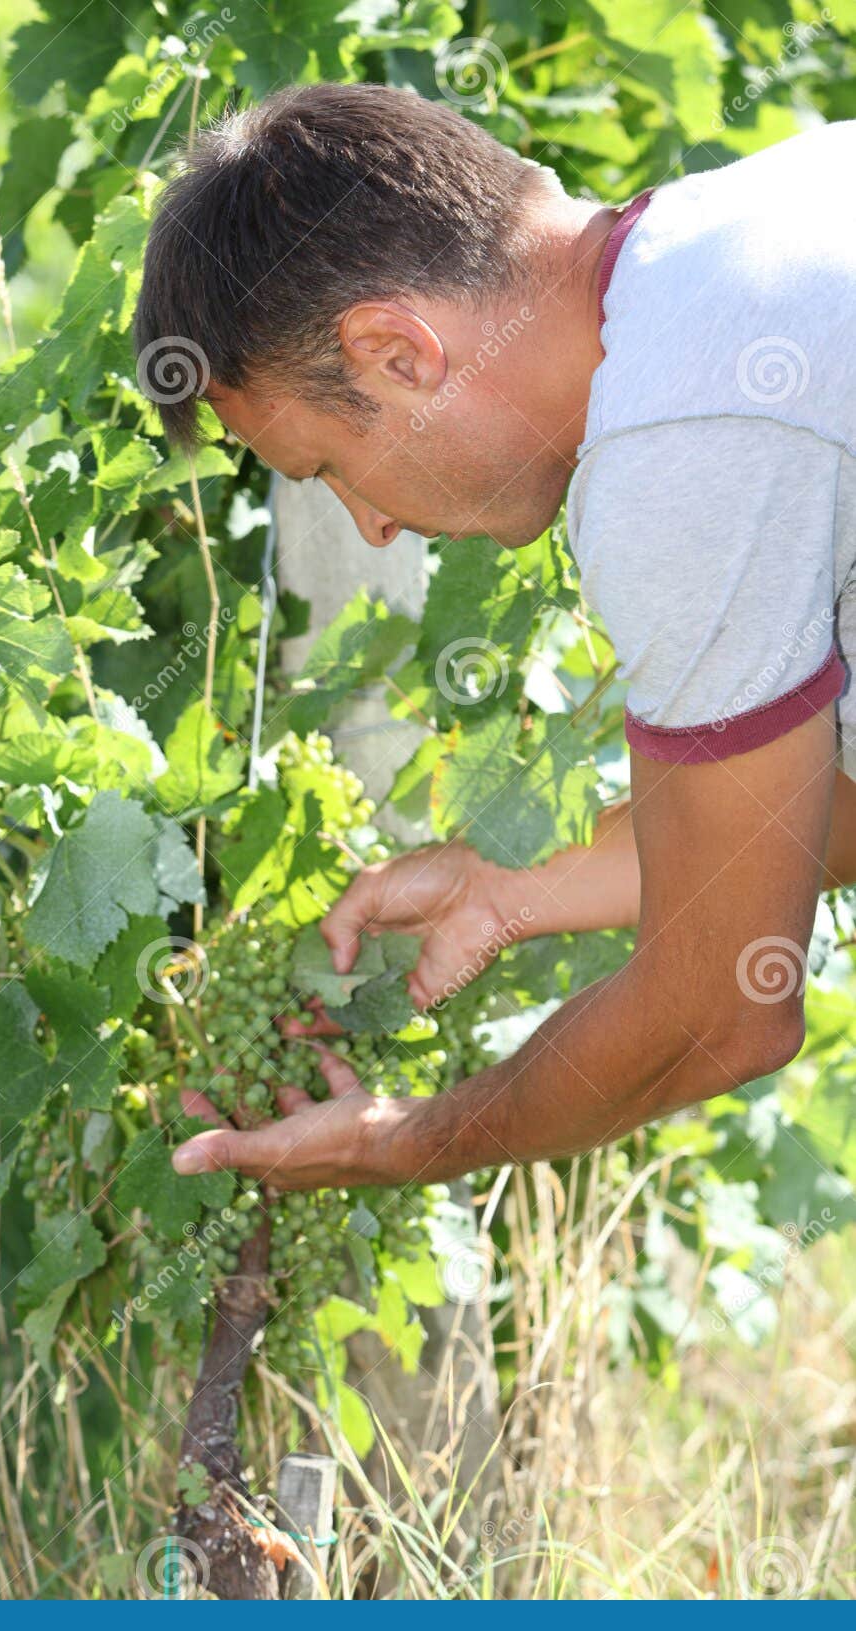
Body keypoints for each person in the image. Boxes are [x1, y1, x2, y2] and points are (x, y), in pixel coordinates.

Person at [132, 84, 856, 1190]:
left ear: (394, 352)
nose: (369, 522)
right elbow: (788, 826)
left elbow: (719, 1013)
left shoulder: (679, 448)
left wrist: (401, 1141)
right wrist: (520, 885)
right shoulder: (761, 225)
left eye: (324, 467)